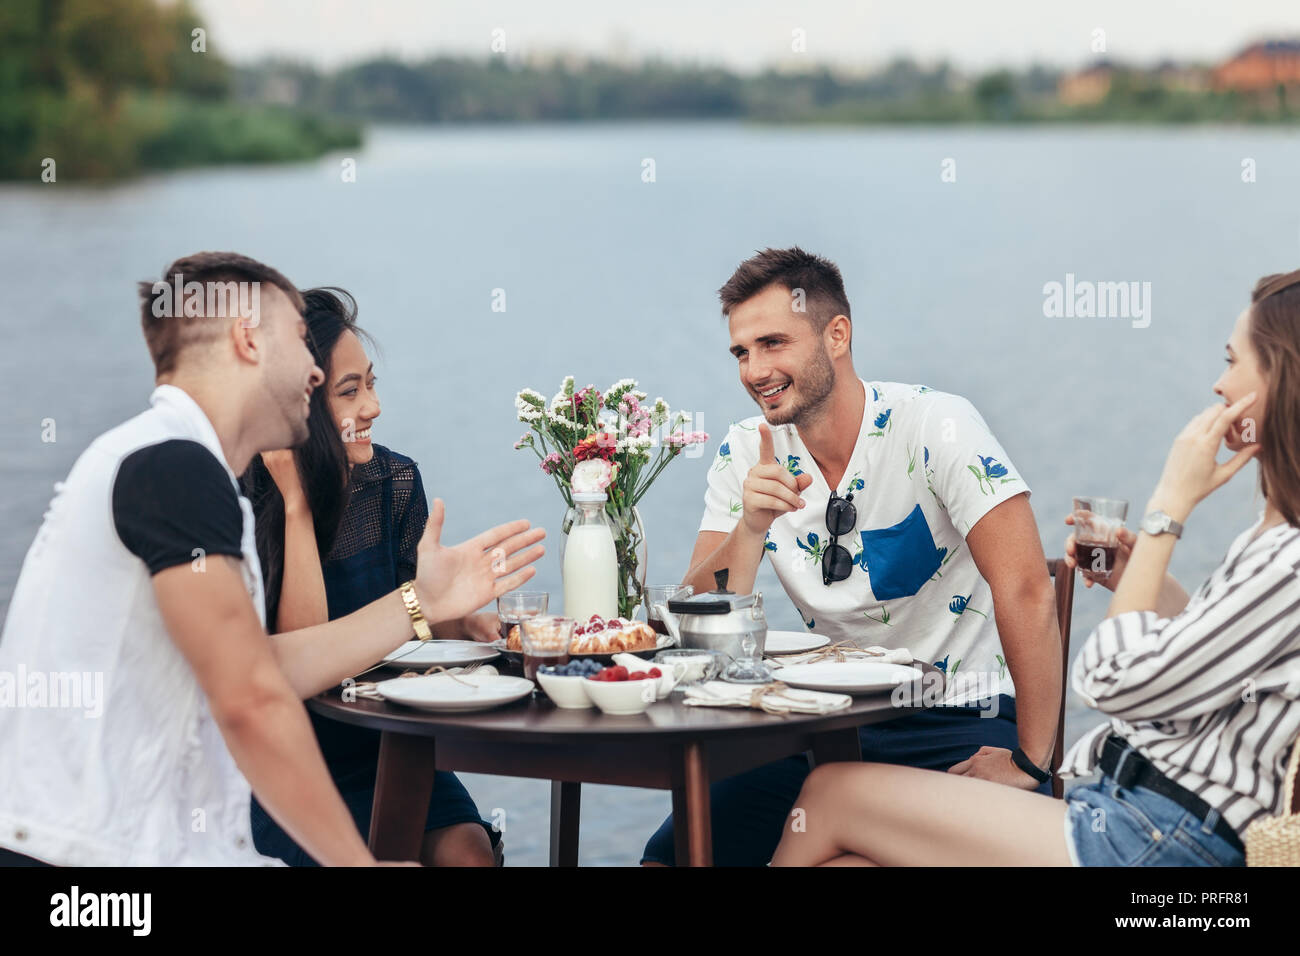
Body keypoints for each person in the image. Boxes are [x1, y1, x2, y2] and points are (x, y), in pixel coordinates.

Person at [0, 253, 544, 866]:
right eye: (298, 342)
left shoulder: (178, 464)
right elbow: (252, 699)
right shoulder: (174, 467)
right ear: (248, 341)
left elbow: (270, 668)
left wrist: (424, 601)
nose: (314, 373)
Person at [771, 270, 1300, 867]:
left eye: (1234, 362)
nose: (1219, 383)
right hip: (1138, 817)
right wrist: (1136, 577)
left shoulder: (1290, 558)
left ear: (1280, 379)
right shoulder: (1278, 541)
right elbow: (1218, 645)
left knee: (829, 793)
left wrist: (1166, 513)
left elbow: (1110, 681)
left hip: (1157, 844)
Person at [643, 246, 1062, 866]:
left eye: (774, 343)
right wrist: (751, 527)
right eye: (741, 351)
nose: (755, 369)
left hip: (960, 715)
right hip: (823, 724)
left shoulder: (937, 426)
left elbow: (1027, 589)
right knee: (670, 857)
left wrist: (1033, 760)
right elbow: (695, 628)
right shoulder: (744, 452)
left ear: (835, 335)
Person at [242, 287, 500, 866]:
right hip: (290, 763)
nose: (374, 407)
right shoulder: (246, 497)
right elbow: (302, 663)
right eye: (349, 391)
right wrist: (296, 503)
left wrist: (473, 617)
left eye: (372, 383)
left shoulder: (393, 482)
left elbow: (420, 618)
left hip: (388, 743)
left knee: (470, 854)